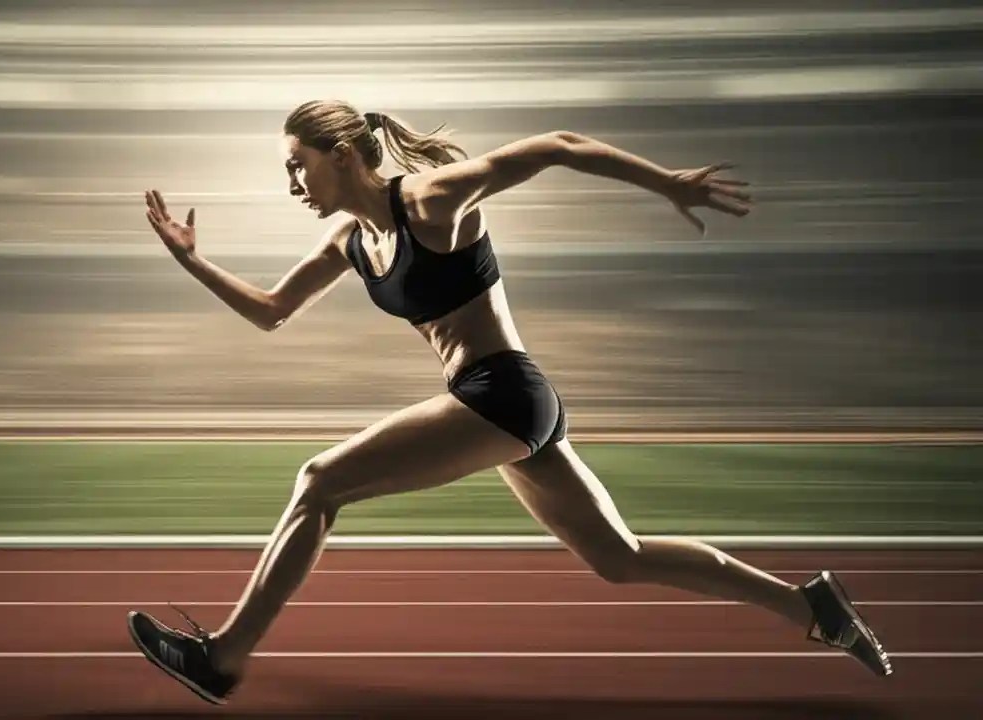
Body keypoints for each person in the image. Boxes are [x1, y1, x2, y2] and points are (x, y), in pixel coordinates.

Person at [127, 99, 892, 705]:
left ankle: (223, 659)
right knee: (620, 559)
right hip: (507, 403)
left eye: (297, 166)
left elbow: (554, 144)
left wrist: (668, 183)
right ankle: (811, 607)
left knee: (320, 481)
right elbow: (270, 311)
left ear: (342, 154)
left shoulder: (429, 200)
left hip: (503, 393)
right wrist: (193, 263)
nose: (291, 183)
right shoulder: (349, 243)